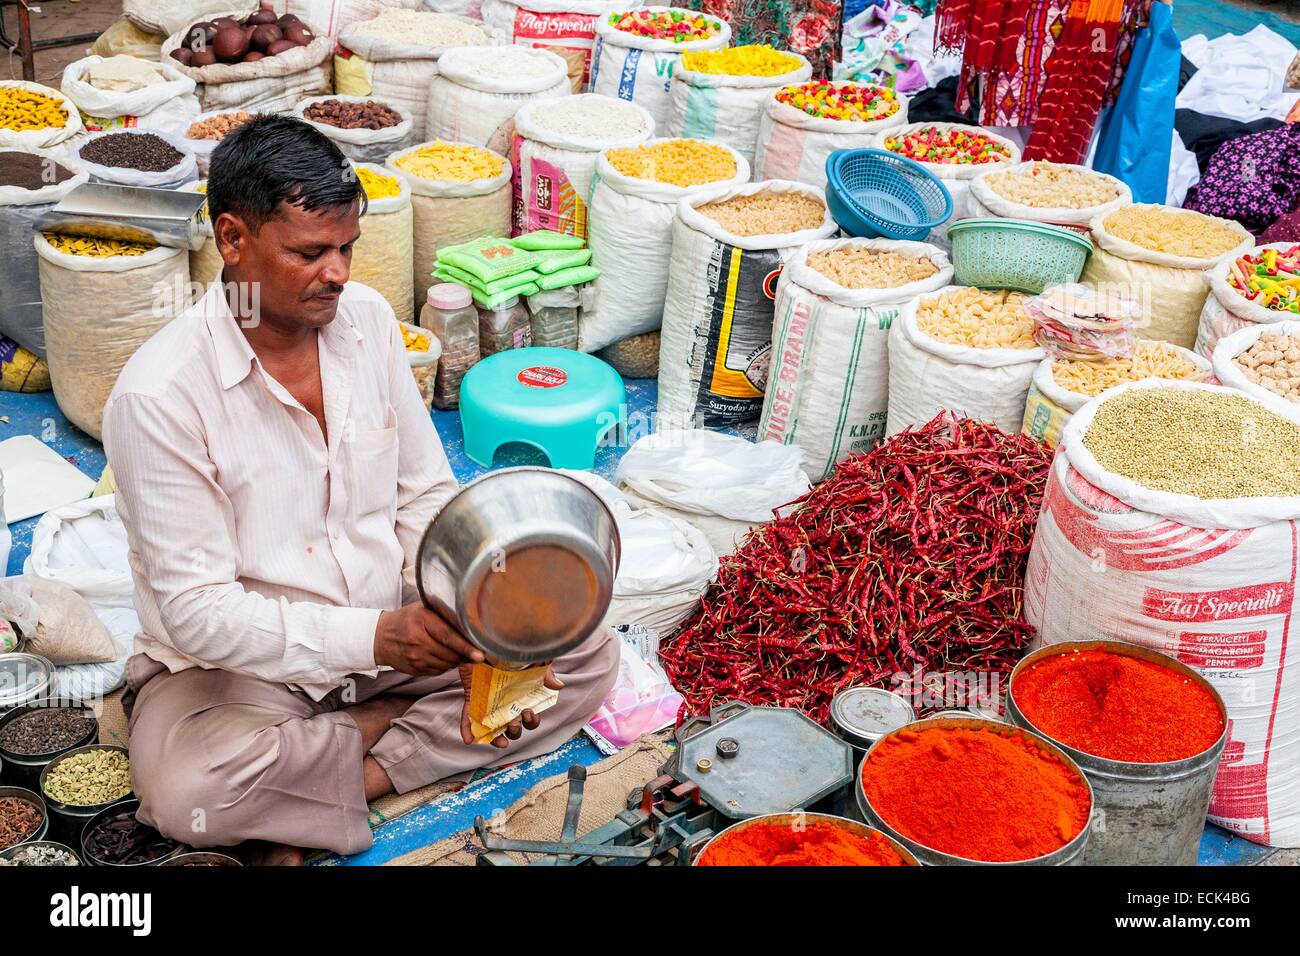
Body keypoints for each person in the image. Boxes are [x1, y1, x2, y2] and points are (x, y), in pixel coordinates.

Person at [102, 117, 619, 864]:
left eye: (346, 248)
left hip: (391, 627)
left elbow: (421, 496)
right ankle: (391, 734)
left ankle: (355, 773)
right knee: (191, 795)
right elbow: (197, 614)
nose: (338, 273)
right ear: (233, 239)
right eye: (310, 253)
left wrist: (475, 606)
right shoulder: (159, 396)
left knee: (585, 655)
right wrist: (378, 642)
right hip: (241, 672)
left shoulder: (368, 324)